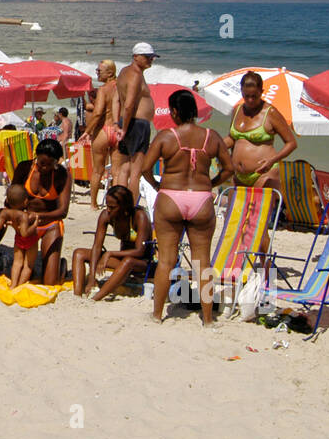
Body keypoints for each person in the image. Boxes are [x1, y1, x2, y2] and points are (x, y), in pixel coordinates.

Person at [141, 89, 236, 325]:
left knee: (165, 260)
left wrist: (157, 185)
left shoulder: (165, 136)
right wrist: (211, 184)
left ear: (174, 111)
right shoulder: (211, 136)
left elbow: (144, 168)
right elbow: (229, 169)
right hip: (201, 199)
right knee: (202, 263)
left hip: (170, 197)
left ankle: (156, 315)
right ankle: (207, 319)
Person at [72, 184, 153, 299]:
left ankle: (97, 297)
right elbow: (97, 246)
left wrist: (110, 253)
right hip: (121, 260)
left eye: (112, 207)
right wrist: (91, 277)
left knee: (128, 260)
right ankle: (77, 294)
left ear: (124, 207)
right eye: (107, 206)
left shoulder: (139, 216)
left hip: (142, 263)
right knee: (79, 253)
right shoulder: (106, 215)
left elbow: (139, 251)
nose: (108, 210)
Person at [10, 139, 72, 285]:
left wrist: (37, 216)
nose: (44, 167)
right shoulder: (24, 168)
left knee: (49, 283)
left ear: (57, 162)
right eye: (41, 162)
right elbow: (12, 197)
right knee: (24, 273)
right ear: (36, 156)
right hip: (27, 225)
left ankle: (60, 267)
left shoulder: (62, 175)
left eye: (50, 164)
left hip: (50, 225)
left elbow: (63, 211)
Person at [225, 71, 298, 190]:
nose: (250, 100)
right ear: (241, 92)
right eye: (246, 96)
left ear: (261, 92)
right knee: (237, 208)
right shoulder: (237, 110)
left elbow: (291, 143)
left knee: (259, 207)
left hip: (264, 173)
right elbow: (232, 138)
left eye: (254, 96)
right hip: (238, 175)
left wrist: (271, 161)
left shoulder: (270, 113)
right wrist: (214, 147)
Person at [114, 42, 159, 201]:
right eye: (147, 57)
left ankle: (119, 204)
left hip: (127, 123)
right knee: (136, 171)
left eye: (152, 57)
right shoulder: (135, 74)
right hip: (137, 125)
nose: (150, 60)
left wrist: (117, 124)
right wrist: (124, 128)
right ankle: (131, 208)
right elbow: (129, 104)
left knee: (124, 168)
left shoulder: (123, 72)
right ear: (135, 57)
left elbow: (117, 99)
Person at [76, 60, 121, 210]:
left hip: (103, 130)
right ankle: (114, 203)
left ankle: (94, 204)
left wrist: (87, 132)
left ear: (110, 73)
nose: (97, 72)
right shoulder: (122, 88)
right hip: (117, 130)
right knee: (116, 172)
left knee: (97, 170)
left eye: (99, 71)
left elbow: (98, 113)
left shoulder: (103, 90)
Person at [0, 184, 38, 288]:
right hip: (30, 240)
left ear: (7, 200)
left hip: (18, 240)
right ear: (26, 201)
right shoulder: (24, 215)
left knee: (17, 263)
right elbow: (25, 233)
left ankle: (13, 285)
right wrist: (35, 225)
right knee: (28, 265)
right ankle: (20, 286)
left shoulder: (5, 213)